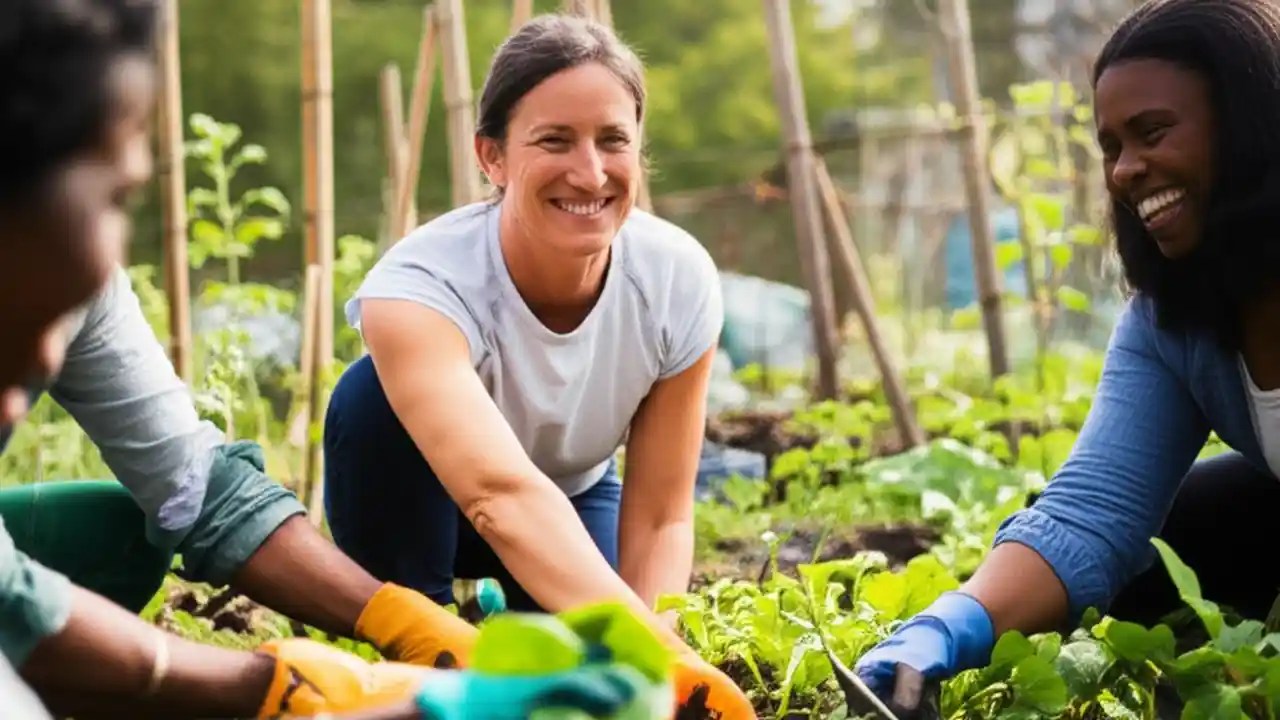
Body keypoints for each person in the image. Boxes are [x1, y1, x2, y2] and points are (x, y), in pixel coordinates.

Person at [0, 1, 645, 717]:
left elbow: (200, 491)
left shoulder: (78, 283)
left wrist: (398, 621)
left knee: (113, 538)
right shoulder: (427, 279)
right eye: (115, 194)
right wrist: (270, 689)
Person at [322, 13, 756, 719]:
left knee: (589, 669)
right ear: (491, 157)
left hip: (573, 495)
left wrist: (651, 672)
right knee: (367, 398)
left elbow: (661, 515)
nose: (590, 172)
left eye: (613, 140)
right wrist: (656, 653)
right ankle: (431, 631)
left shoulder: (676, 280)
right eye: (554, 140)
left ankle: (509, 613)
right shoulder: (419, 286)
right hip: (425, 499)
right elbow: (496, 495)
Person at [854, 0, 1280, 710]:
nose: (1123, 171)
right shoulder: (1169, 323)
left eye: (1153, 133)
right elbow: (1092, 514)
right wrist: (943, 630)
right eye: (1113, 147)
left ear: (1250, 127)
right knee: (1162, 544)